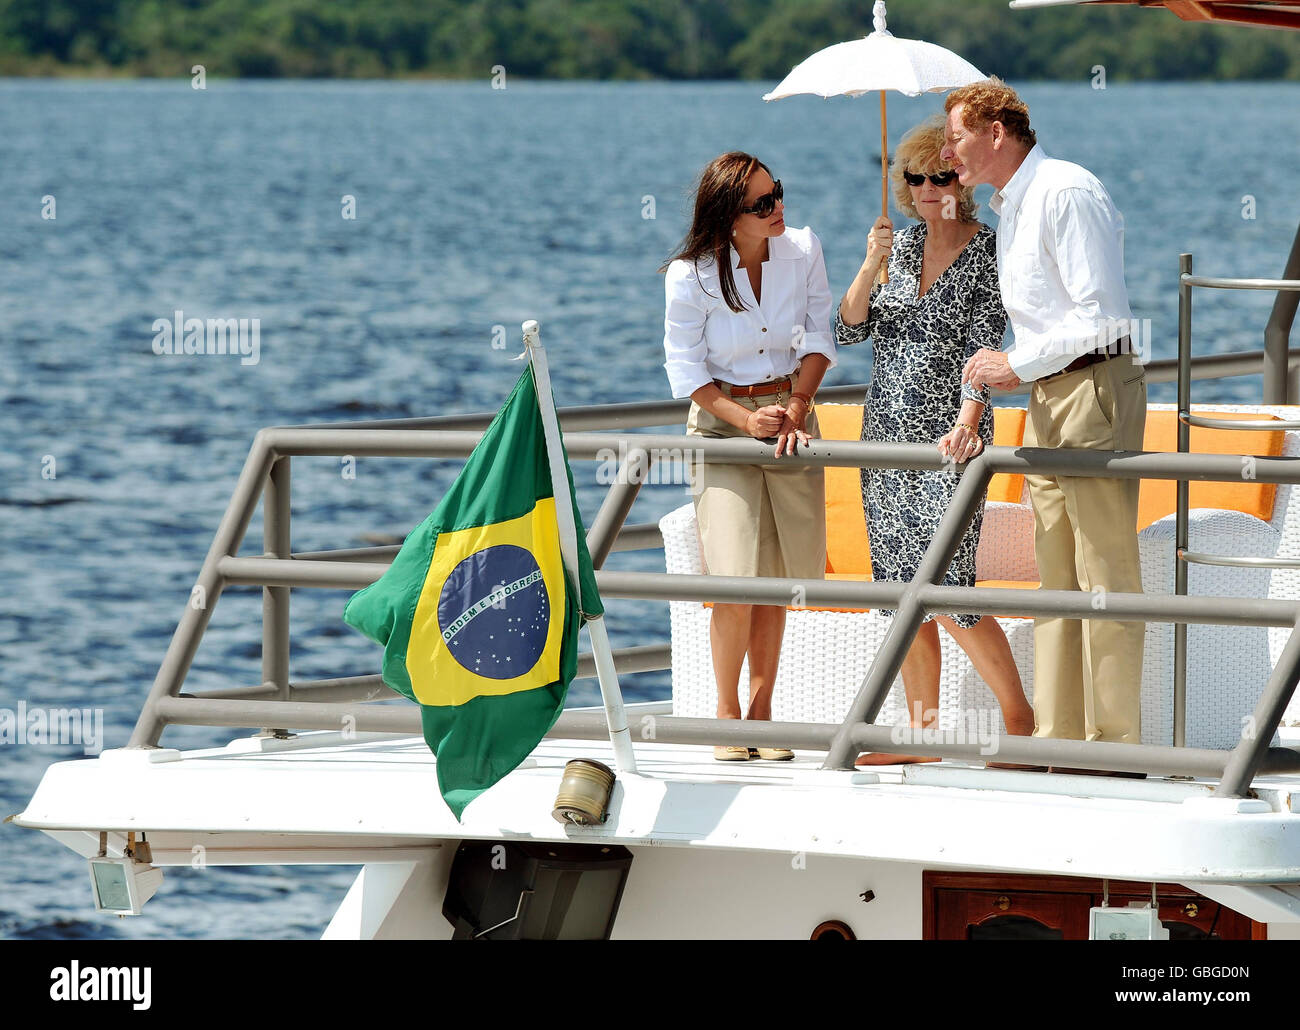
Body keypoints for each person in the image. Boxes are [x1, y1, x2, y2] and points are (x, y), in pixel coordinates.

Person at [942, 78, 1147, 772]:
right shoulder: (1014, 206)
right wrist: (1013, 370)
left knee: (1103, 571)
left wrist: (1015, 363)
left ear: (997, 131)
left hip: (1091, 388)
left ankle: (1115, 753)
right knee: (1057, 573)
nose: (948, 151)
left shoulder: (1064, 192)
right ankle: (1062, 744)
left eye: (957, 136)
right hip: (1050, 396)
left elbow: (1104, 316)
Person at [834, 116, 1035, 766]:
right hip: (885, 441)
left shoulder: (990, 250)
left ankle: (1021, 721)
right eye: (915, 176)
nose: (926, 187)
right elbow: (847, 333)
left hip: (953, 440)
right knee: (901, 593)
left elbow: (987, 345)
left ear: (963, 181)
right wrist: (870, 265)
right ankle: (918, 736)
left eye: (940, 175)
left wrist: (968, 424)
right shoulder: (900, 246)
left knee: (950, 588)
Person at [661, 152, 835, 762]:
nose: (778, 207)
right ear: (730, 217)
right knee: (734, 580)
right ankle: (727, 714)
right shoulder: (691, 276)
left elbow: (819, 337)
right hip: (722, 430)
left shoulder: (804, 248)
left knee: (777, 580)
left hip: (791, 420)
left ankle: (762, 713)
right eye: (763, 203)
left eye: (778, 193)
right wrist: (745, 421)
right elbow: (686, 373)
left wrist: (796, 405)